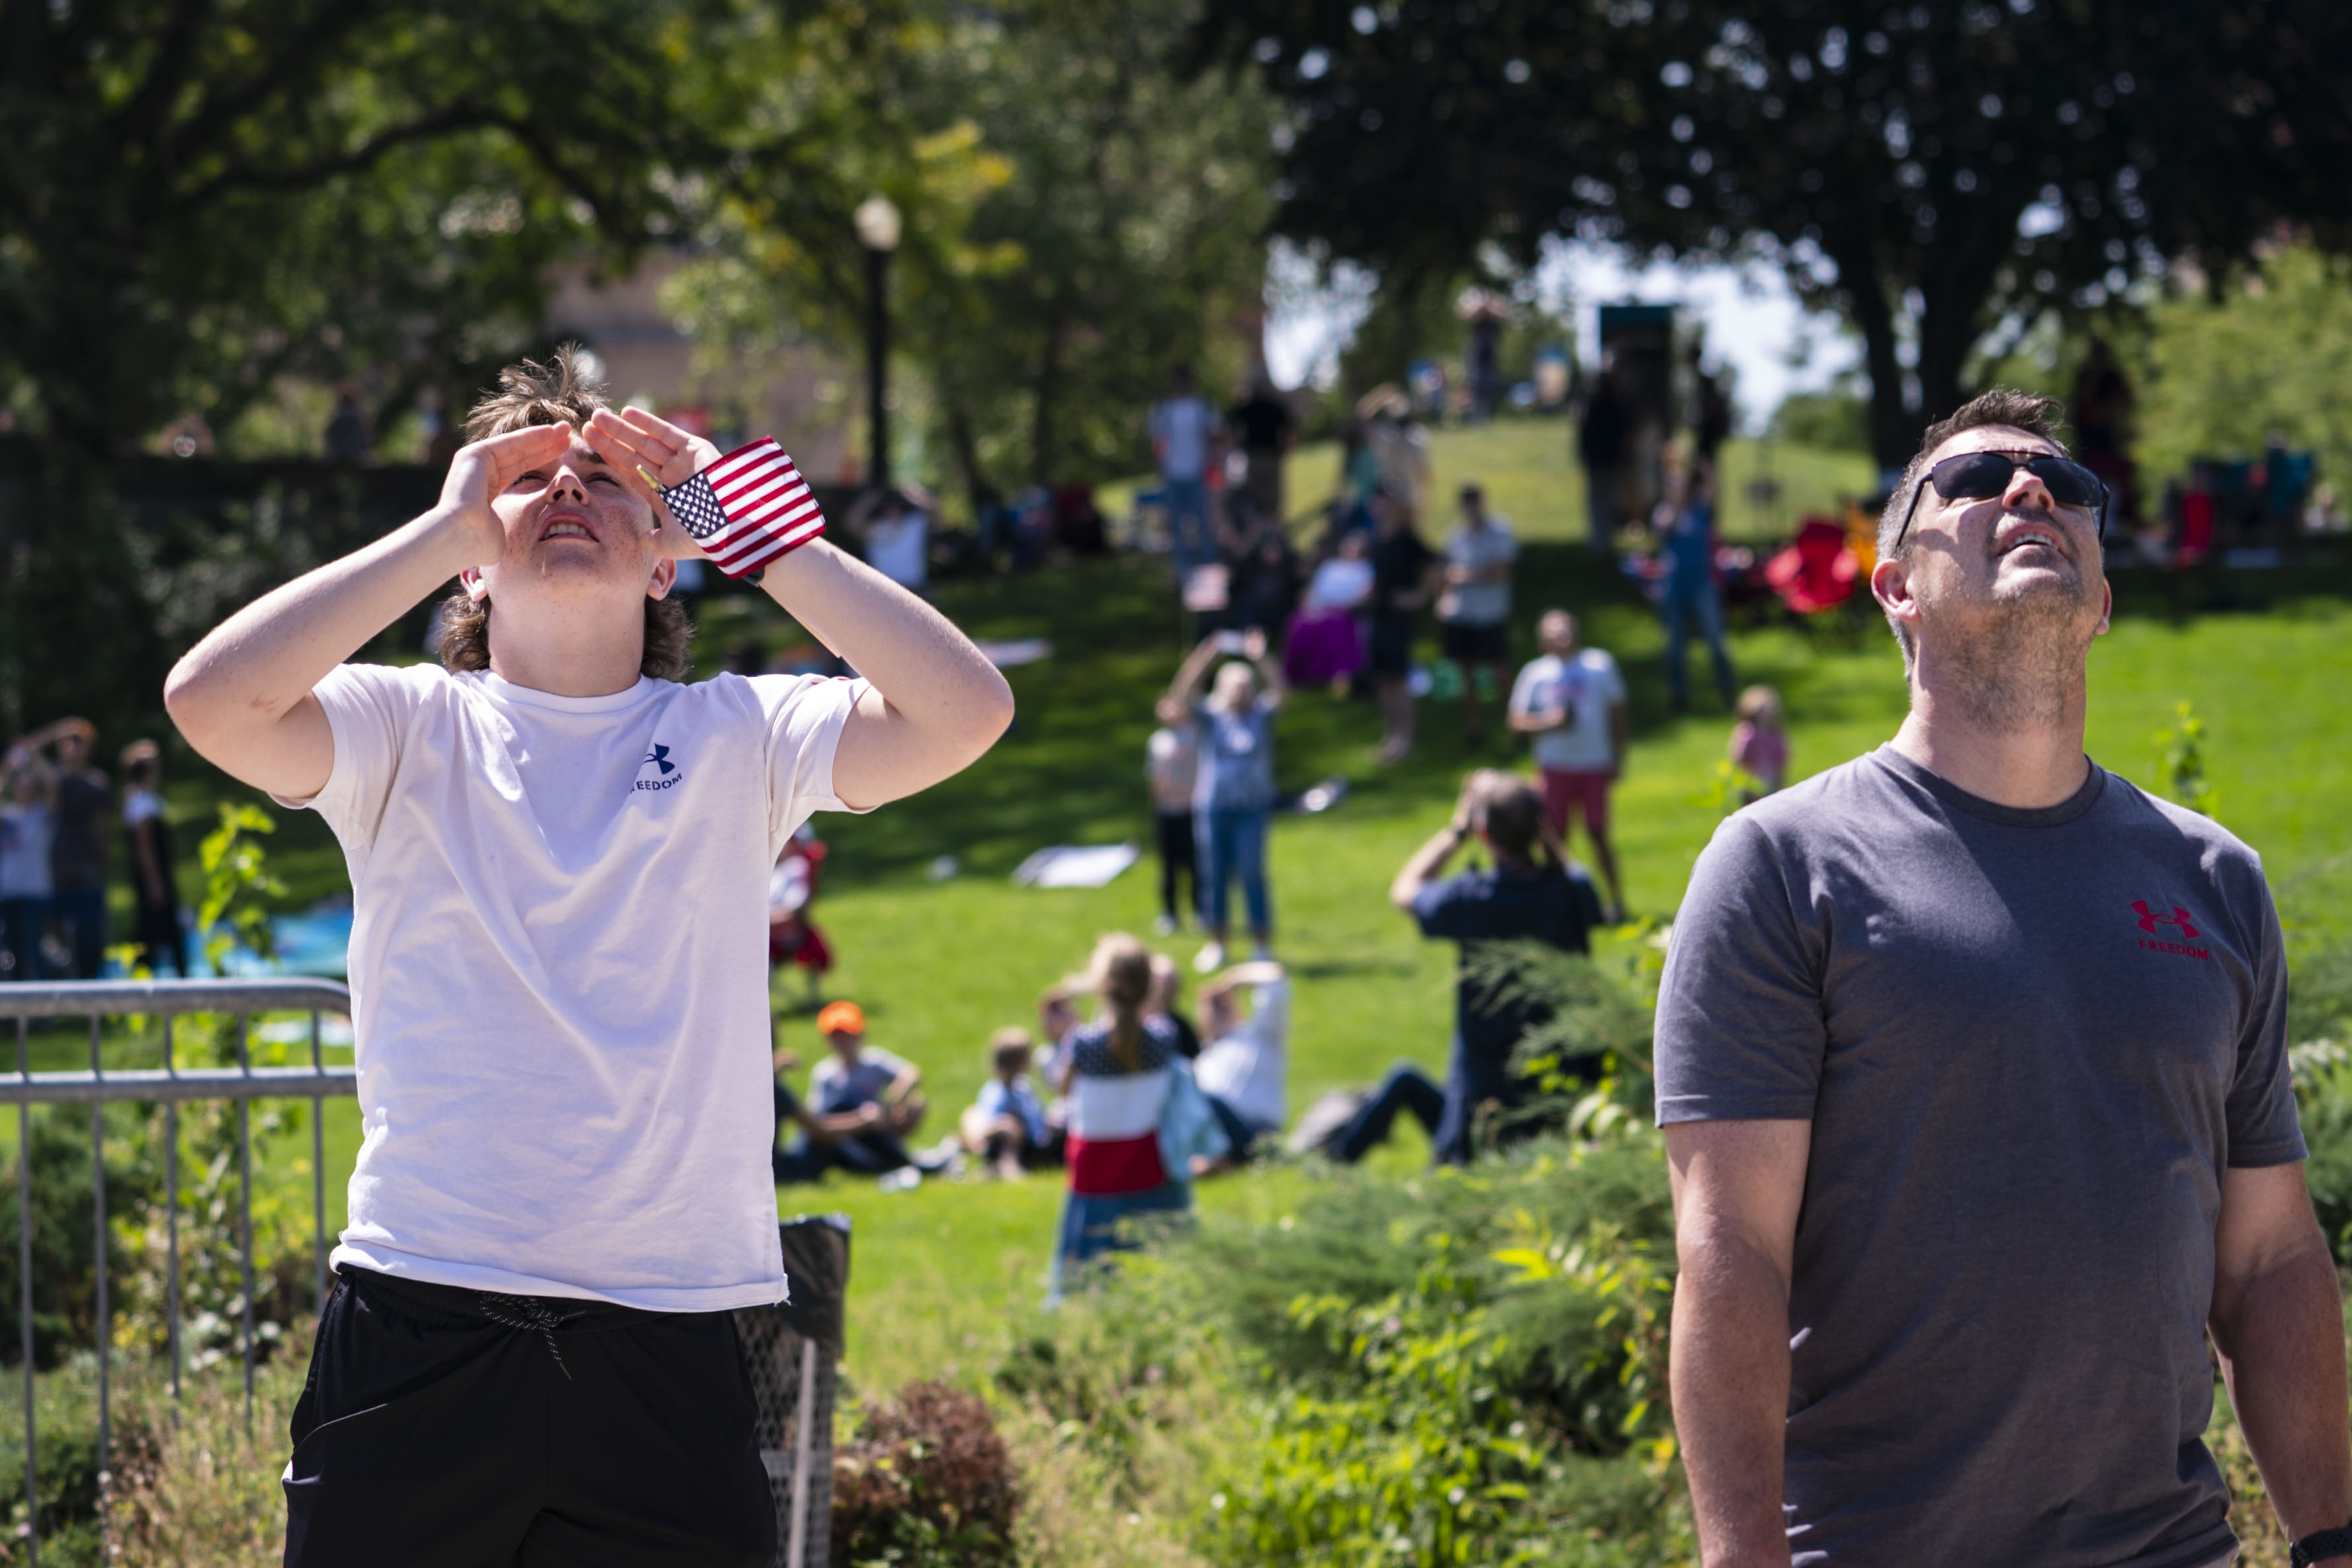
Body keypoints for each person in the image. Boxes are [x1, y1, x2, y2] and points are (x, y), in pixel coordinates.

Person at [161, 344, 1013, 1566]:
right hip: (419, 1320)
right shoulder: (405, 725)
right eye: (530, 481)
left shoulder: (740, 732)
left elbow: (968, 711)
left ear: (670, 553)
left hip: (669, 1335)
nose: (568, 495)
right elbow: (209, 701)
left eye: (608, 482)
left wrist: (768, 535)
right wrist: (435, 531)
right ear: (474, 550)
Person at [1655, 389, 2350, 1568]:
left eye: (2067, 487)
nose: (2033, 491)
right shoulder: (1782, 866)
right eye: (1974, 483)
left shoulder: (2212, 877)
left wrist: (2334, 1540)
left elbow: (2271, 1256)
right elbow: (1733, 1256)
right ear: (1895, 586)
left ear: (2103, 598)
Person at [1326, 772, 1602, 1166]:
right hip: (1560, 1084)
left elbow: (1405, 889)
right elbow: (1571, 872)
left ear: (1483, 833)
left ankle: (1334, 1164)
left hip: (1484, 1097)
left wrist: (1458, 830)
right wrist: (1537, 825)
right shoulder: (1572, 891)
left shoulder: (1475, 898)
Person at [1051, 934, 1190, 1295]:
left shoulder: (1083, 1043)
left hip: (1094, 1169)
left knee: (1085, 1279)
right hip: (1146, 1165)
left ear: (1103, 986)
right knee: (1149, 1273)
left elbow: (1062, 1088)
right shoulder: (1163, 1037)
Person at [1163, 629, 1286, 973]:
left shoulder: (1261, 716)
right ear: (1223, 688)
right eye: (1235, 685)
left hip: (1252, 807)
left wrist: (1259, 656)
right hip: (1214, 808)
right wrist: (1206, 657)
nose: (1241, 691)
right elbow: (1181, 694)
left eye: (1246, 685)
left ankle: (1261, 942)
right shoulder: (1210, 717)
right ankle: (1217, 941)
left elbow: (1283, 691)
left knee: (1251, 872)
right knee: (1213, 875)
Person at [1508, 610, 1630, 922]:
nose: (1562, 637)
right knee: (1553, 836)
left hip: (1593, 763)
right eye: (1554, 632)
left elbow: (1618, 712)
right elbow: (1517, 722)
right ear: (1543, 640)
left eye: (1566, 630)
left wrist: (1620, 755)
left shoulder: (1599, 665)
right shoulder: (1535, 674)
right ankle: (1560, 902)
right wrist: (1550, 723)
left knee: (1598, 833)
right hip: (1555, 766)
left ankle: (1615, 901)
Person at [775, 1001, 934, 1185]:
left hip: (876, 1130)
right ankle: (911, 1164)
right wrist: (863, 1119)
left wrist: (896, 1099)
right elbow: (818, 1124)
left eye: (847, 1035)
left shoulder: (873, 1062)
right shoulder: (825, 1074)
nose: (843, 1042)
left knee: (915, 1104)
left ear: (861, 1035)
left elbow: (912, 1073)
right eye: (836, 1037)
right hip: (841, 1137)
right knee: (844, 1103)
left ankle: (908, 1163)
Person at [18, 719, 109, 978]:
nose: (72, 747)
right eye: (67, 742)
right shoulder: (53, 780)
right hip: (57, 867)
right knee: (54, 935)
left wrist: (101, 862)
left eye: (78, 741)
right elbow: (29, 748)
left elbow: (102, 828)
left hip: (87, 868)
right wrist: (58, 729)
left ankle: (90, 987)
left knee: (90, 934)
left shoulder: (96, 782)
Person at [1437, 484, 1518, 749]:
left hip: (1490, 613)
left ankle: (1518, 727)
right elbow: (1448, 573)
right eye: (1465, 500)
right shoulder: (1457, 535)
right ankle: (1475, 731)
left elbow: (1500, 570)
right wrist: (1444, 599)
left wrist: (1465, 575)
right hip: (1463, 615)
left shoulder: (1500, 530)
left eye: (1474, 500)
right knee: (1466, 674)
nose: (1470, 505)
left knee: (1499, 671)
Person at [1190, 960, 1289, 1174]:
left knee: (1207, 1097)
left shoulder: (1258, 1036)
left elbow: (1275, 978)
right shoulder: (1201, 1060)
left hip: (1256, 1133)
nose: (1218, 1010)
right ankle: (1212, 1160)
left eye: (1223, 1003)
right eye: (1211, 1005)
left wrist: (1231, 981)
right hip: (1214, 1132)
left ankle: (1214, 1160)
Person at [1657, 459, 1736, 711]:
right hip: (1674, 586)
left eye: (1681, 485)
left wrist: (1703, 468)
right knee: (1675, 645)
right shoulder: (1664, 513)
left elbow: (1712, 487)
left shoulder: (1700, 510)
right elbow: (1665, 527)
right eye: (1673, 486)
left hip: (1702, 584)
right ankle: (1679, 696)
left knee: (1716, 640)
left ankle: (1727, 691)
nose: (1678, 489)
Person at [1367, 488, 1438, 765]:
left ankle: (1406, 738)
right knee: (1382, 678)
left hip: (1399, 617)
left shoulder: (1407, 538)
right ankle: (1391, 735)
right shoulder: (1376, 538)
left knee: (1399, 677)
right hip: (1378, 614)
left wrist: (1419, 596)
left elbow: (1435, 563)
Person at [116, 740, 188, 978]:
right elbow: (144, 847)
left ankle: (150, 975)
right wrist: (155, 882)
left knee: (156, 931)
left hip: (154, 876)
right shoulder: (141, 803)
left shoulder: (142, 798)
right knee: (158, 931)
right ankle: (172, 979)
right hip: (154, 877)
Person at [1149, 367, 1219, 581]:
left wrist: (1212, 466)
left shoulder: (1202, 408)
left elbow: (1216, 435)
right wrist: (1161, 468)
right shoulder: (1164, 410)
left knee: (1204, 524)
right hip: (1173, 475)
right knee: (1177, 527)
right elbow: (1156, 442)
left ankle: (1208, 568)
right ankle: (1182, 570)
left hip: (1197, 474)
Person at [959, 1029, 1053, 1179]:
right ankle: (1007, 1166)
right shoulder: (995, 1092)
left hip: (1031, 1145)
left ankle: (1000, 1167)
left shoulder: (1025, 1088)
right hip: (1000, 1143)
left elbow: (1038, 1122)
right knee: (1007, 1126)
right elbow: (987, 1123)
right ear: (1023, 1063)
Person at [1145, 696, 1199, 936]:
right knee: (1169, 867)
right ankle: (1170, 914)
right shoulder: (1158, 742)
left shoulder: (1194, 735)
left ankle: (1200, 911)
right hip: (1168, 811)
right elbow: (1154, 778)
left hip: (1192, 808)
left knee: (1195, 864)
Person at [0, 746, 55, 982]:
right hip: (8, 894)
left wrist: (33, 753)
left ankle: (44, 1013)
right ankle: (17, 1015)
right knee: (12, 953)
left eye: (29, 785)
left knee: (34, 949)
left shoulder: (42, 814)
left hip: (33, 893)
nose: (24, 788)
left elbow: (53, 786)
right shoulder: (8, 815)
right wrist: (8, 767)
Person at [1228, 372, 1294, 523]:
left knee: (1258, 503)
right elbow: (1289, 435)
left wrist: (1241, 448)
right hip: (1271, 458)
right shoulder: (1277, 407)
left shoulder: (1247, 408)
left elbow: (1233, 431)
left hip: (1256, 458)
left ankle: (1266, 537)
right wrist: (1284, 451)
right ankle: (1268, 536)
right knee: (1271, 503)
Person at [1577, 366, 1630, 555]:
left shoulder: (1598, 405)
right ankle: (1602, 542)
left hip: (1603, 460)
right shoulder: (1606, 405)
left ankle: (1602, 542)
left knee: (1601, 502)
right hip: (1603, 460)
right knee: (1603, 501)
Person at [1727, 683, 1788, 798]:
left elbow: (1783, 759)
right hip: (1751, 781)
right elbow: (1738, 758)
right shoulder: (1748, 733)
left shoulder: (1775, 733)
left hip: (1772, 780)